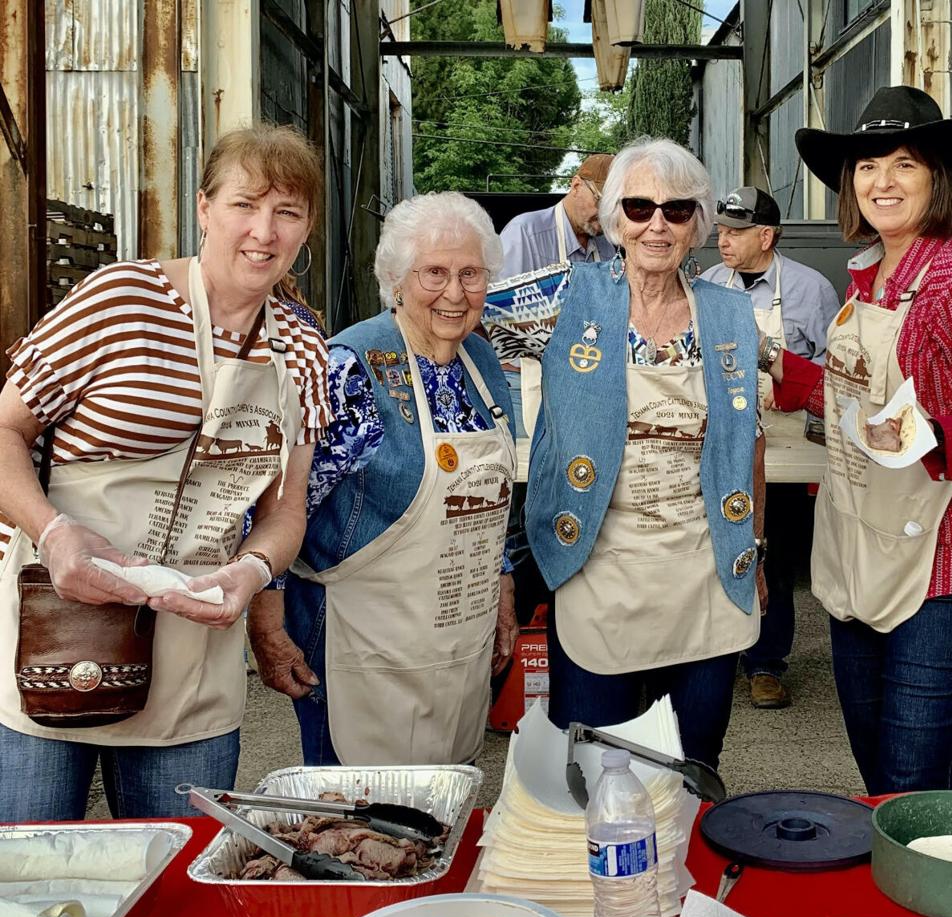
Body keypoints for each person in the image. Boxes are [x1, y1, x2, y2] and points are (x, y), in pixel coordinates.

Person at [0, 124, 328, 820]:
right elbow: (4, 429)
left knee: (177, 884)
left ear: (307, 230)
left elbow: (285, 512)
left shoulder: (302, 347)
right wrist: (53, 531)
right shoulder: (120, 302)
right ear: (205, 208)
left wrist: (251, 572)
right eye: (245, 205)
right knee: (24, 883)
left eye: (287, 212)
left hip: (194, 653)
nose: (263, 232)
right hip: (57, 623)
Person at [766, 85, 952, 793]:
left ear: (937, 179)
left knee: (912, 788)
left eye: (904, 164)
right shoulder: (869, 278)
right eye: (867, 165)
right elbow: (859, 401)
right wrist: (782, 370)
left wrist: (919, 433)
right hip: (864, 554)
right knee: (880, 784)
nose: (882, 181)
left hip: (950, 570)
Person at [247, 192, 517, 767]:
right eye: (434, 273)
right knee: (355, 821)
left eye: (471, 274)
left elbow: (494, 499)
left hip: (455, 629)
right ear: (396, 280)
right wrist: (266, 623)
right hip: (361, 636)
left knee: (443, 796)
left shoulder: (484, 365)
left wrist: (503, 590)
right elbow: (276, 506)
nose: (454, 292)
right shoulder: (352, 367)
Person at [525, 137, 763, 769]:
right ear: (614, 219)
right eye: (638, 207)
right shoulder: (564, 299)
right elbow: (457, 314)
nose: (657, 223)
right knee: (597, 768)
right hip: (599, 571)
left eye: (677, 210)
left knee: (694, 761)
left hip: (703, 572)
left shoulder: (732, 314)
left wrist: (755, 547)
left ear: (698, 224)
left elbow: (748, 443)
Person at [700, 186, 840, 709]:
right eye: (721, 231)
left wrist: (788, 381)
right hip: (723, 443)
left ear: (767, 235)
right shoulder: (709, 286)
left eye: (735, 232)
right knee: (717, 544)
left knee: (773, 552)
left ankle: (765, 663)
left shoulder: (811, 289)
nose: (724, 241)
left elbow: (838, 371)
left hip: (784, 446)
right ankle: (718, 652)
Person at [497, 154, 615, 438]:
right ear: (575, 185)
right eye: (601, 202)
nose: (606, 214)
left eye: (614, 207)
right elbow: (499, 322)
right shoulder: (524, 233)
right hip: (524, 383)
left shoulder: (608, 244)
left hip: (585, 383)